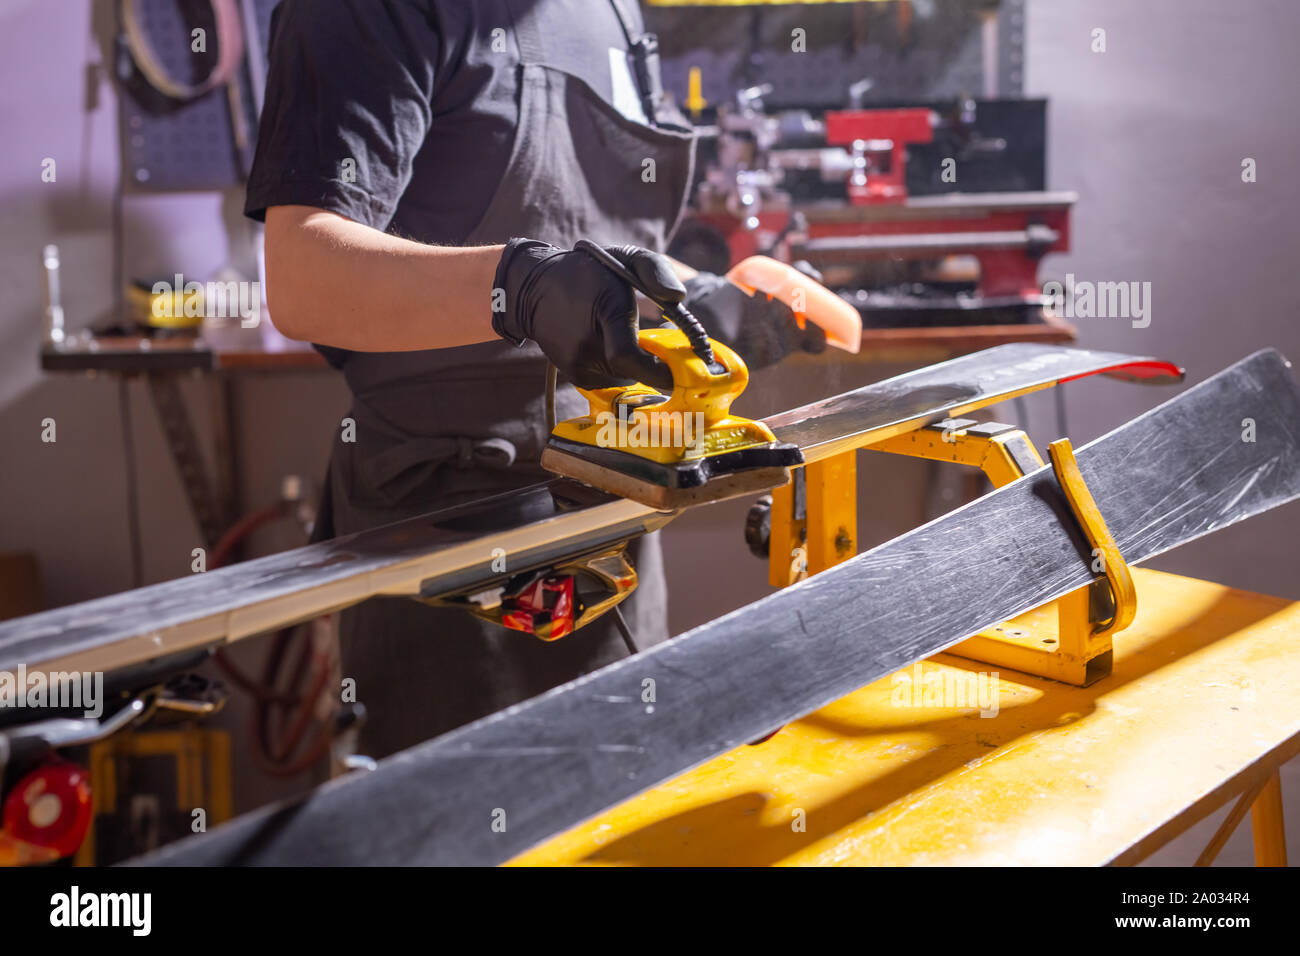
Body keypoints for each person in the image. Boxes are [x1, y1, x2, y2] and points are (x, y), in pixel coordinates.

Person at [244, 0, 823, 757]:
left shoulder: (609, 9)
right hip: (449, 532)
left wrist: (696, 298)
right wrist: (515, 285)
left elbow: (595, 243)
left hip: (618, 504)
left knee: (626, 817)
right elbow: (303, 278)